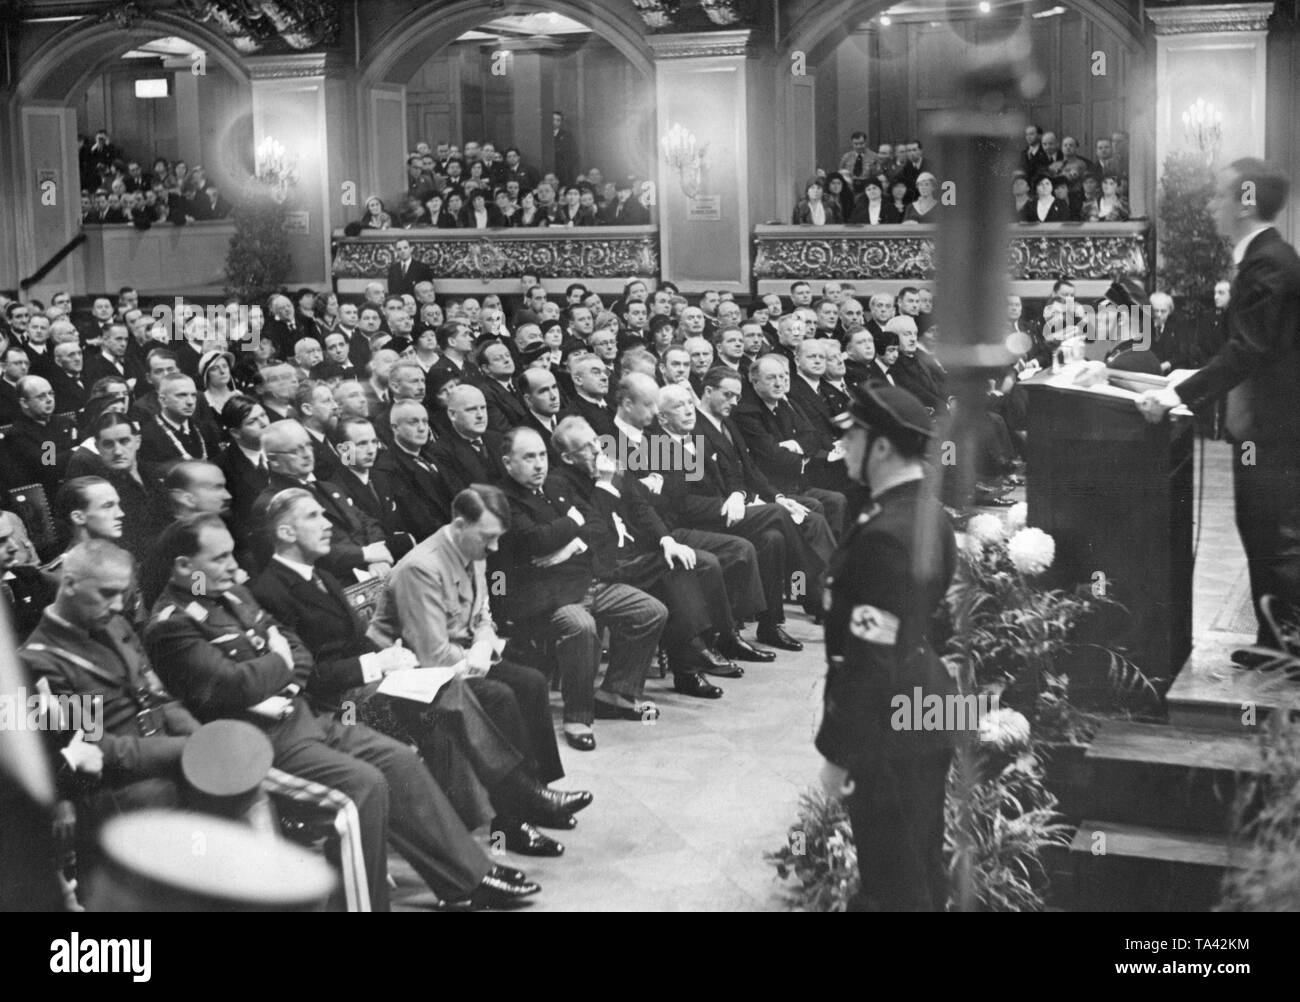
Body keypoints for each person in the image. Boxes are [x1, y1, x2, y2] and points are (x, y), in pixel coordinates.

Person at [141, 514, 539, 911]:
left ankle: (466, 879)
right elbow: (234, 686)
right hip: (253, 741)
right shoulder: (171, 626)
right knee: (362, 786)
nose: (233, 565)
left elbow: (299, 654)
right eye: (220, 558)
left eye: (231, 555)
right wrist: (278, 661)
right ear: (183, 567)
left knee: (398, 760)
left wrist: (279, 671)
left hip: (302, 717)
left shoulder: (234, 596)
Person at [252, 488, 588, 857]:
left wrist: (392, 659)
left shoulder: (324, 578)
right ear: (285, 532)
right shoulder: (269, 589)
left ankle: (524, 800)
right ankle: (519, 801)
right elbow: (307, 676)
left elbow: (362, 639)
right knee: (488, 696)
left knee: (521, 684)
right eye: (314, 516)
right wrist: (377, 663)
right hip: (339, 704)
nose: (328, 523)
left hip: (382, 678)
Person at [1138, 157, 1300, 660]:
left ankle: (1291, 650)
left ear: (1247, 200)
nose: (1211, 205)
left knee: (1274, 533)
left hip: (1273, 429)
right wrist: (1192, 379)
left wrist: (1177, 395)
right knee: (1259, 528)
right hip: (1263, 425)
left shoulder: (1270, 261)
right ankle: (1276, 643)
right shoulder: (1263, 258)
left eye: (1220, 195)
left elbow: (1250, 348)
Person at [817, 384, 958, 911]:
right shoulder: (924, 512)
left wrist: (838, 750)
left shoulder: (885, 534)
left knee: (894, 881)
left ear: (879, 446)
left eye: (851, 435)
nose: (843, 447)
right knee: (916, 868)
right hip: (921, 705)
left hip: (890, 725)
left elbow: (868, 662)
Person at [19, 541, 200, 869]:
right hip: (124, 786)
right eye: (106, 593)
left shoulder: (112, 623)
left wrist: (201, 737)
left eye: (122, 593)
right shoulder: (41, 662)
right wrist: (185, 749)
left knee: (246, 786)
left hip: (167, 753)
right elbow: (94, 746)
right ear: (69, 583)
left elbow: (155, 692)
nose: (118, 604)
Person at [496, 426, 667, 751]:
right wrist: (573, 525)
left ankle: (616, 693)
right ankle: (577, 716)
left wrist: (568, 545)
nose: (538, 464)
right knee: (581, 626)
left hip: (582, 579)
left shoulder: (556, 486)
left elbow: (597, 525)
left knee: (650, 612)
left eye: (542, 456)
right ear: (508, 463)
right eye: (528, 457)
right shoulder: (502, 499)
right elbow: (535, 539)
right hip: (544, 595)